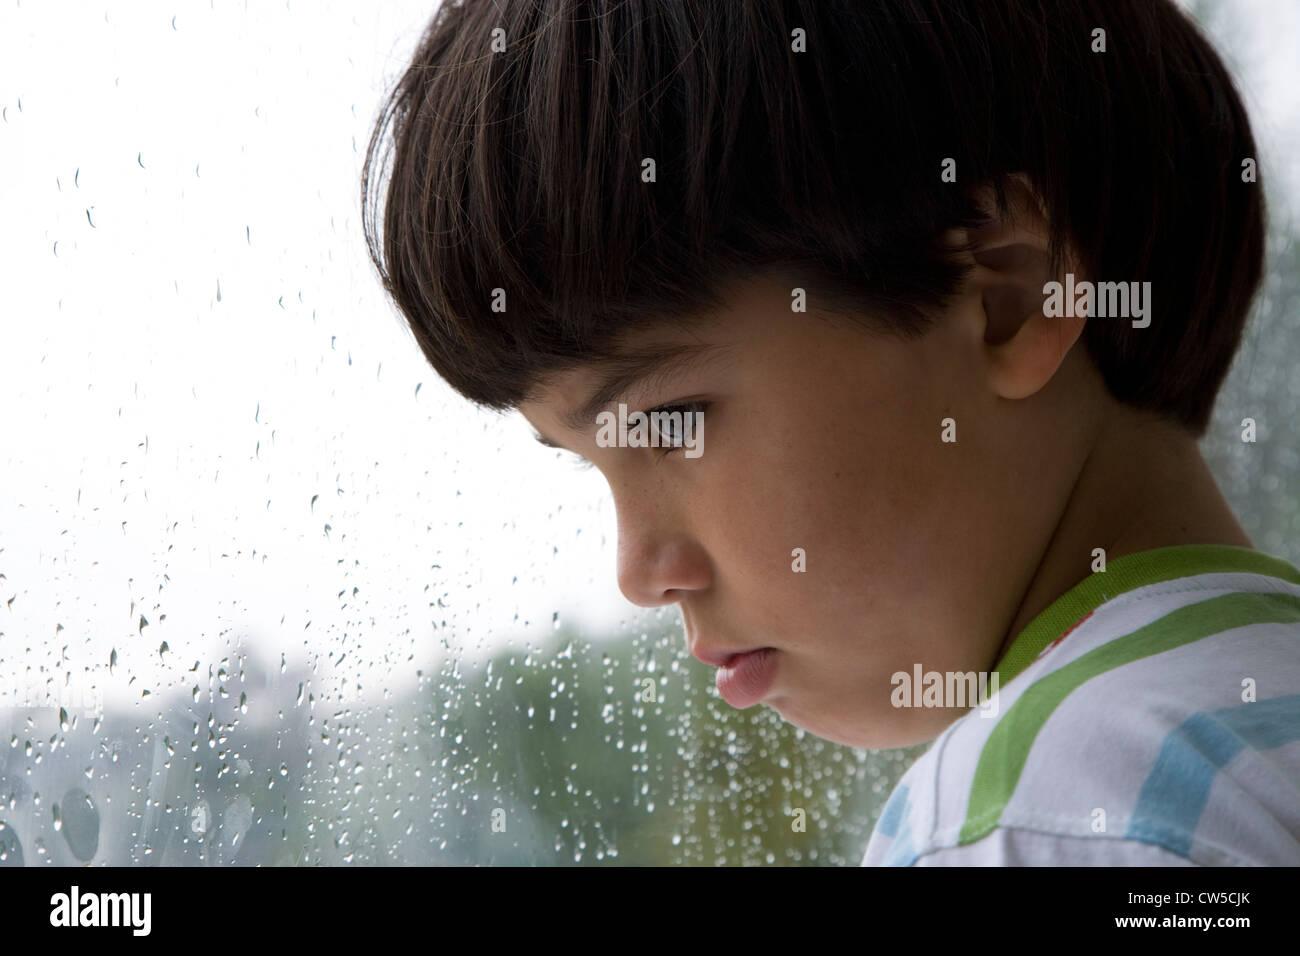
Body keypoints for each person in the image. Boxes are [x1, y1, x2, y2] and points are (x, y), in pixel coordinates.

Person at [361, 0, 1300, 865]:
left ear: (1010, 297)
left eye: (671, 423)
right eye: (589, 467)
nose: (640, 571)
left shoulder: (1038, 819)